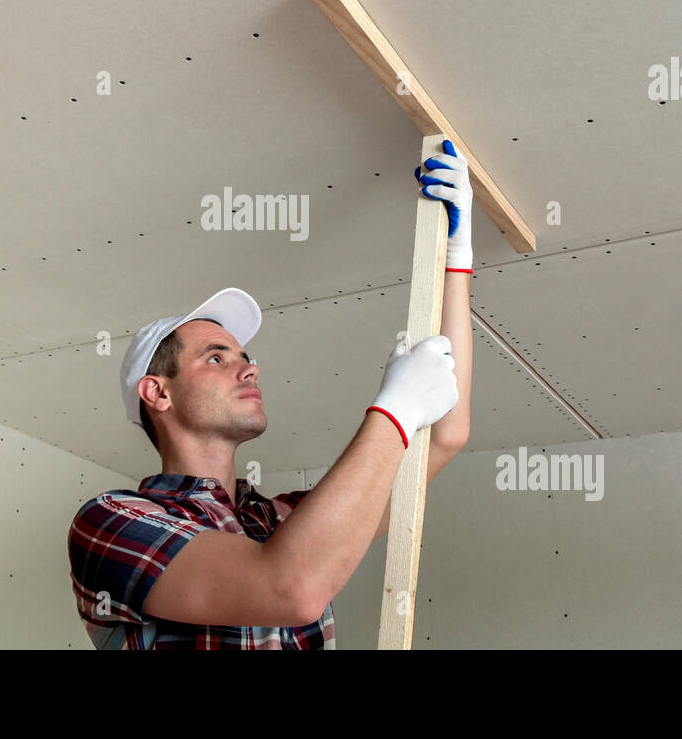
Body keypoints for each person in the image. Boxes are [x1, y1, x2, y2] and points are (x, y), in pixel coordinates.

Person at [66, 140, 476, 648]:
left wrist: (454, 260)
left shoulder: (281, 520)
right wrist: (395, 409)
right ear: (158, 393)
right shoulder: (111, 522)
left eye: (245, 357)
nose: (249, 368)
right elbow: (289, 588)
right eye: (217, 357)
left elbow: (444, 436)